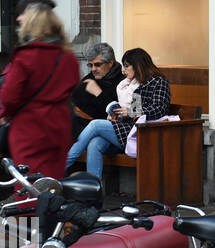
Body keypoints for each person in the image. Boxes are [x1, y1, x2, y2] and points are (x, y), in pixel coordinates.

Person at [0, 0, 79, 180]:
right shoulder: (68, 56)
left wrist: (4, 113)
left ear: (33, 21)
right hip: (59, 126)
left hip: (30, 128)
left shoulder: (26, 56)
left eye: (23, 15)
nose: (18, 19)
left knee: (29, 185)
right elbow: (73, 86)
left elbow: (9, 96)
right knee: (53, 182)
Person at [66, 48, 169, 177]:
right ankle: (94, 189)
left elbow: (159, 109)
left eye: (126, 66)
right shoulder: (133, 84)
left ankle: (62, 165)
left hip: (144, 133)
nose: (123, 70)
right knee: (95, 143)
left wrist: (130, 112)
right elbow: (133, 111)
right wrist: (116, 113)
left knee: (95, 125)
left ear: (138, 65)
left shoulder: (159, 81)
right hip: (129, 128)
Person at [71, 42, 122, 137]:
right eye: (91, 65)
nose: (93, 69)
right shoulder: (90, 78)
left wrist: (98, 93)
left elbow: (118, 115)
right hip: (80, 124)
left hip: (107, 130)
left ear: (110, 63)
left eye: (97, 64)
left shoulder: (123, 83)